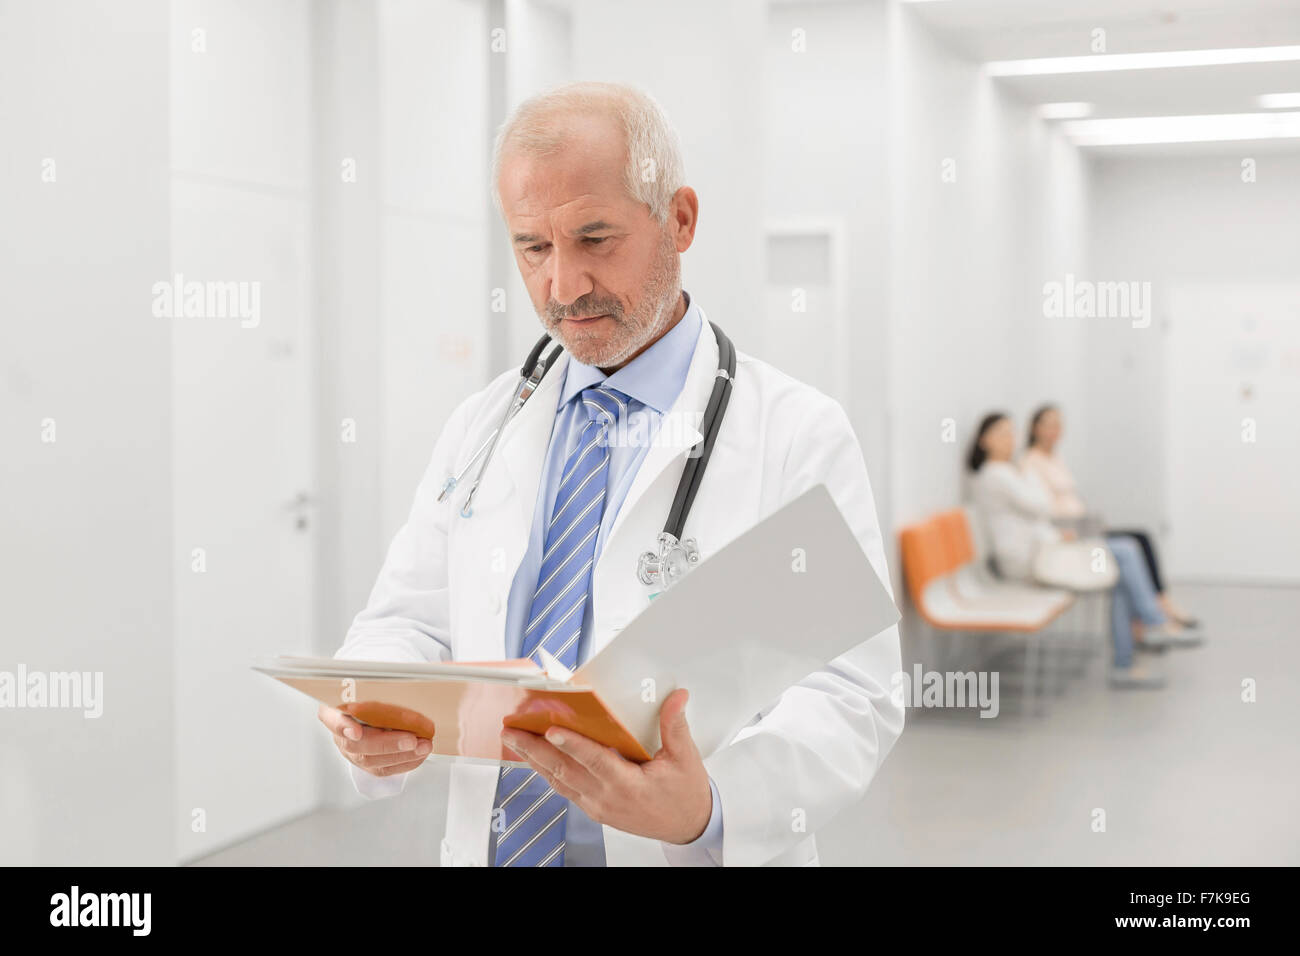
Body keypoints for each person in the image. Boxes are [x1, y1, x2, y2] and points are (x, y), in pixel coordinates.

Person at [315, 82, 903, 867]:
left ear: (680, 220)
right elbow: (409, 617)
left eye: (596, 239)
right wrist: (376, 706)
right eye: (533, 247)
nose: (563, 286)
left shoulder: (797, 433)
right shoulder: (484, 425)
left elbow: (854, 692)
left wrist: (711, 808)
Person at [966, 413, 1197, 691]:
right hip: (1030, 563)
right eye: (1000, 433)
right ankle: (1152, 624)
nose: (1009, 439)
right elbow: (1041, 505)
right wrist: (1026, 472)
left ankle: (1133, 651)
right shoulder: (996, 475)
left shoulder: (1010, 472)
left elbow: (1037, 515)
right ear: (983, 440)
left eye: (1011, 432)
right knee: (1124, 551)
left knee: (1121, 562)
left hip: (1045, 552)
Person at [1021, 404, 1199, 628]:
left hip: (1083, 524)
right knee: (1130, 546)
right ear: (1034, 428)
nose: (1054, 430)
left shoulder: (1055, 458)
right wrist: (1075, 527)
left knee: (1142, 536)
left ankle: (1161, 603)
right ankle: (1155, 615)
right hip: (1069, 531)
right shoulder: (1031, 462)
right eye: (1048, 424)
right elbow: (1043, 509)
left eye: (1058, 424)